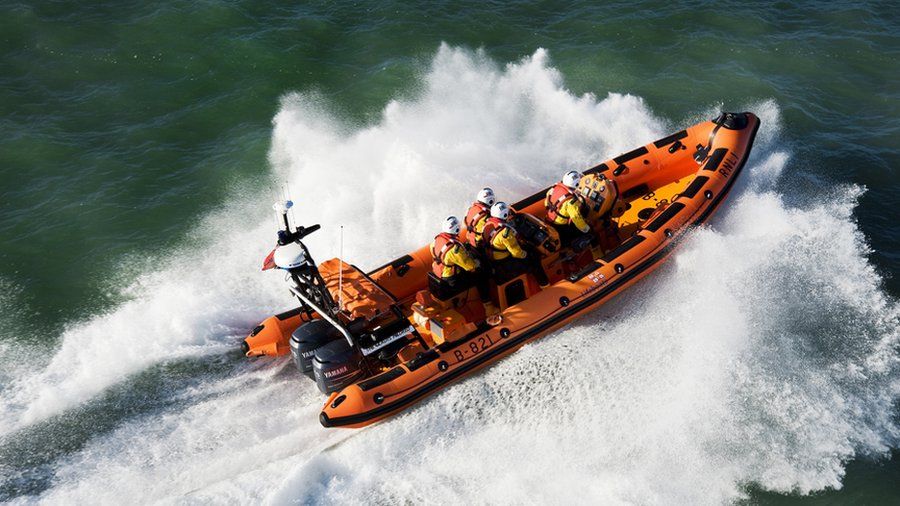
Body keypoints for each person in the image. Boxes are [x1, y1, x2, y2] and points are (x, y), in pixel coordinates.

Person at [482, 202, 549, 286]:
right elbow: (517, 253)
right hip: (506, 263)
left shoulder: (487, 224)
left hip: (495, 259)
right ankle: (545, 285)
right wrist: (526, 254)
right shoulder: (505, 233)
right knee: (534, 260)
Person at [431, 216, 489, 302]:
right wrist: (478, 262)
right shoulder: (454, 250)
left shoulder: (437, 240)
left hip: (441, 272)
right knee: (481, 276)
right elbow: (470, 266)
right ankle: (488, 305)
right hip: (452, 280)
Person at [544, 170, 592, 248]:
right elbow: (577, 219)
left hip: (549, 220)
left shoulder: (553, 189)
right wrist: (587, 229)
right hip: (561, 227)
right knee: (585, 232)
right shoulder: (571, 202)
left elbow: (546, 203)